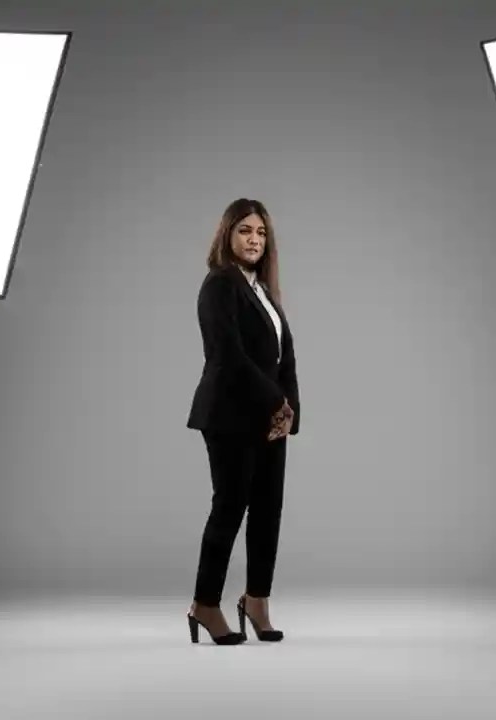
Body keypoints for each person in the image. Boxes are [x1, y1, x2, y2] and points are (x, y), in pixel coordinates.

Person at [185, 198, 300, 646]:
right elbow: (228, 356)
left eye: (261, 233)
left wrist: (289, 409)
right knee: (230, 506)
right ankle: (205, 604)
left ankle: (257, 600)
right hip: (230, 414)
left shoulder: (264, 292)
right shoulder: (219, 285)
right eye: (244, 231)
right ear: (227, 236)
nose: (254, 240)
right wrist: (277, 401)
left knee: (268, 511)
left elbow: (284, 356)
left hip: (270, 418)